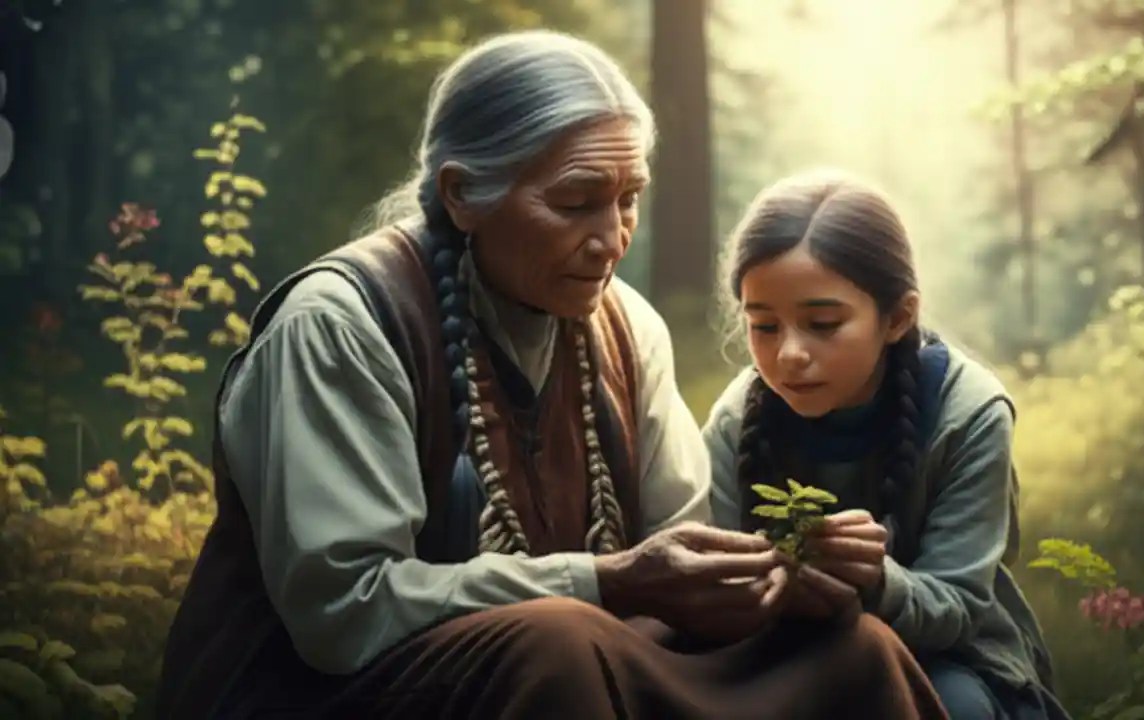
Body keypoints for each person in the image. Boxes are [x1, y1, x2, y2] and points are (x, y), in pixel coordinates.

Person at [156, 31, 948, 720]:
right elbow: (344, 615)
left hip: (586, 656)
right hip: (324, 695)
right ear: (462, 194)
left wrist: (769, 582)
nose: (613, 238)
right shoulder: (341, 326)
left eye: (629, 199)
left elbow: (674, 552)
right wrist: (605, 583)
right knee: (558, 640)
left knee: (846, 648)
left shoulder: (627, 326)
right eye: (575, 203)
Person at [702, 170, 1073, 720]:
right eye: (765, 327)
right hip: (772, 648)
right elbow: (712, 589)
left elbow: (958, 607)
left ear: (897, 317)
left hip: (946, 657)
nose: (789, 355)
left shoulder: (967, 413)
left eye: (822, 324)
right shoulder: (737, 419)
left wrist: (876, 582)